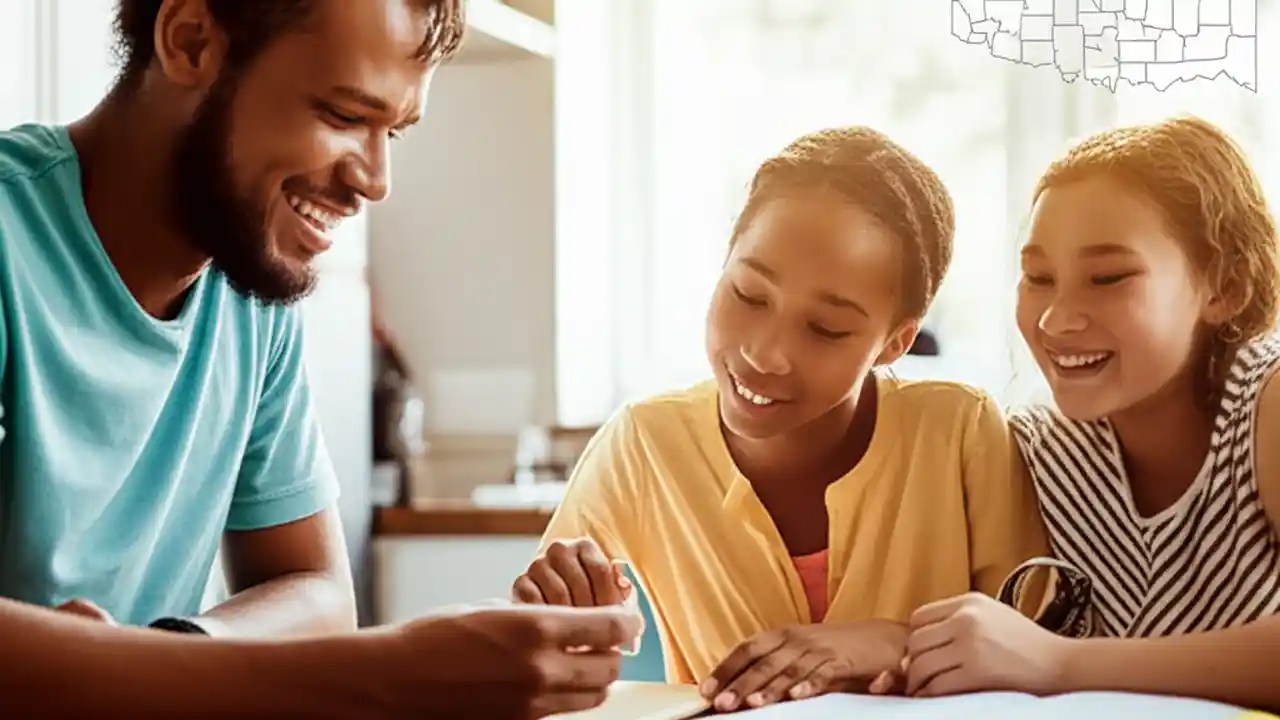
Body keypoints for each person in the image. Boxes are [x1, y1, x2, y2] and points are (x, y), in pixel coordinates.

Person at [0, 0, 638, 716]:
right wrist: (388, 673)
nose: (375, 180)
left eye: (392, 130)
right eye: (343, 115)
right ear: (190, 41)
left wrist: (174, 654)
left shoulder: (247, 286)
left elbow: (319, 593)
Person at [511, 127, 1048, 711]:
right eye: (748, 294)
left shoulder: (958, 430)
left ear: (893, 344)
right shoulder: (644, 443)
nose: (765, 354)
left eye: (826, 329)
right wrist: (564, 618)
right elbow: (537, 657)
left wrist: (897, 642)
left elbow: (1040, 650)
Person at [903, 117, 1280, 713]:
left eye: (1107, 278)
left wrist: (1059, 663)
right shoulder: (1036, 448)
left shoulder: (1267, 396)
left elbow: (1031, 653)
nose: (1055, 320)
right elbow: (996, 638)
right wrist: (888, 643)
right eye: (1038, 278)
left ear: (1225, 287)